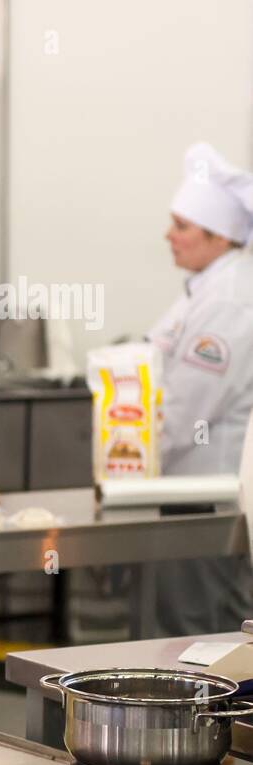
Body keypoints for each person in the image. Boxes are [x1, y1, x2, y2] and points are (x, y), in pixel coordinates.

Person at [148, 142, 253, 637]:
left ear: (218, 235)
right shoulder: (207, 289)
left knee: (195, 632)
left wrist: (129, 458)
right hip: (187, 490)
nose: (169, 235)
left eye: (182, 225)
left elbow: (189, 411)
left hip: (207, 494)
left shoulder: (229, 301)